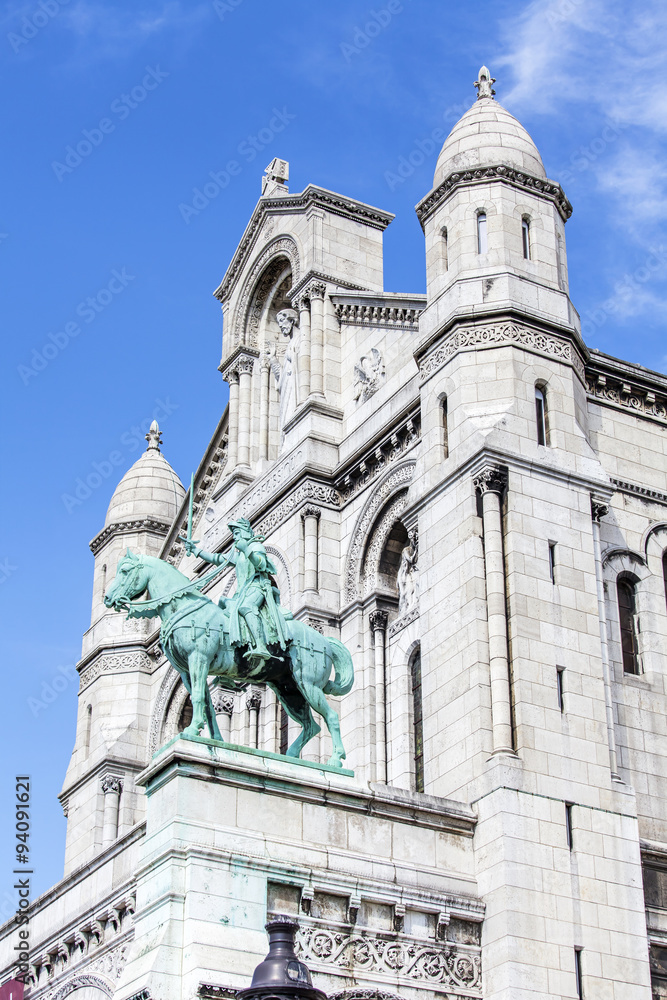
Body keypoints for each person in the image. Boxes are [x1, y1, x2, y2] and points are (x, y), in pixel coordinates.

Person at [186, 518, 289, 662]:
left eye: (236, 532)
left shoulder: (255, 546)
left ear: (245, 531)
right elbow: (217, 558)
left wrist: (247, 550)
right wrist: (196, 550)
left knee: (246, 607)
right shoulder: (238, 555)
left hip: (257, 587)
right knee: (222, 608)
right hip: (242, 592)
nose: (234, 537)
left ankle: (261, 646)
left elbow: (262, 565)